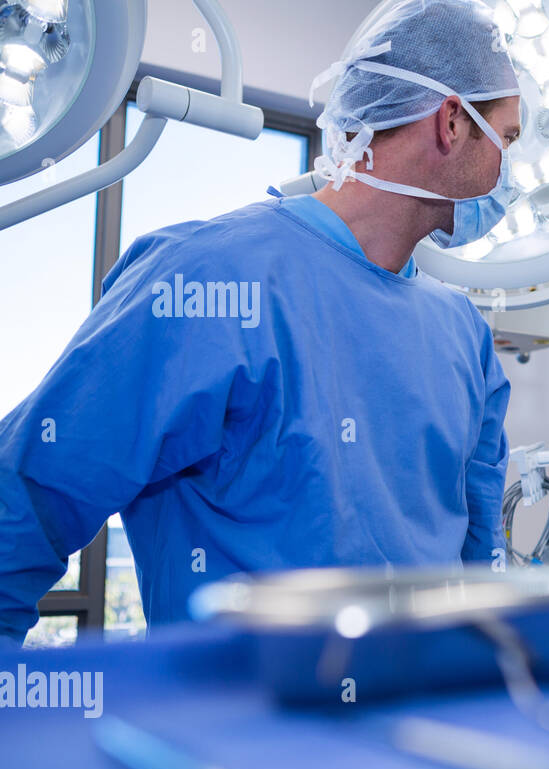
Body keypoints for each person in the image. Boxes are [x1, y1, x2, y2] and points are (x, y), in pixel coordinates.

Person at [0, 0, 522, 643]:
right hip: (227, 730)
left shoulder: (464, 336)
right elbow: (26, 496)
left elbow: (478, 575)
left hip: (418, 726)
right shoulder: (206, 281)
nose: (510, 173)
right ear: (450, 122)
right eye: (508, 138)